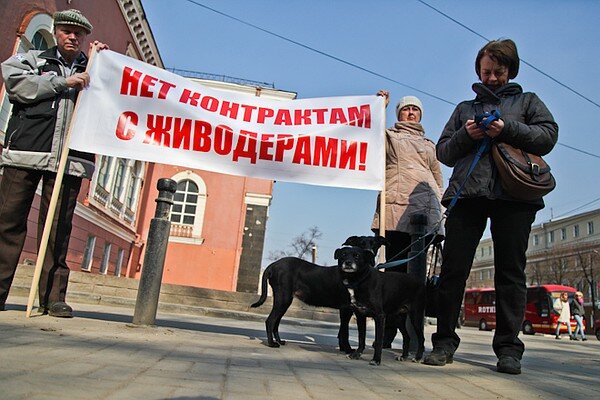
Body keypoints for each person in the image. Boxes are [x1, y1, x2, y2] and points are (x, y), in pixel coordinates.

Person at [422, 39, 558, 375]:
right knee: (453, 271)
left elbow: (548, 136)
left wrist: (506, 128)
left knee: (511, 274)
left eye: (498, 71)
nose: (492, 77)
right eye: (486, 71)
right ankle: (443, 342)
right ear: (479, 71)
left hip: (515, 197)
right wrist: (467, 135)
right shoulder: (465, 108)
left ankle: (509, 350)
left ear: (510, 70)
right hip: (468, 195)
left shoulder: (527, 101)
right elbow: (443, 152)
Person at [0, 9, 108, 317]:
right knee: (7, 222)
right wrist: (63, 83)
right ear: (56, 31)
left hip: (70, 161)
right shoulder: (32, 59)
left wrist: (102, 65)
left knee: (58, 228)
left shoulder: (94, 70)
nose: (72, 36)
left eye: (79, 33)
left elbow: (112, 97)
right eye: (66, 31)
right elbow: (18, 86)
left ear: (85, 37)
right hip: (26, 153)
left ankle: (52, 297)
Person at [371, 92, 444, 348]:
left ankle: (413, 336)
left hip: (425, 214)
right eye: (405, 109)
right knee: (393, 275)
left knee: (416, 279)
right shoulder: (389, 136)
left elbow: (436, 178)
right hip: (396, 210)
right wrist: (381, 108)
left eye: (415, 109)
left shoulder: (429, 144)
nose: (411, 113)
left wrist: (441, 212)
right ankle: (387, 332)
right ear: (398, 114)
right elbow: (371, 139)